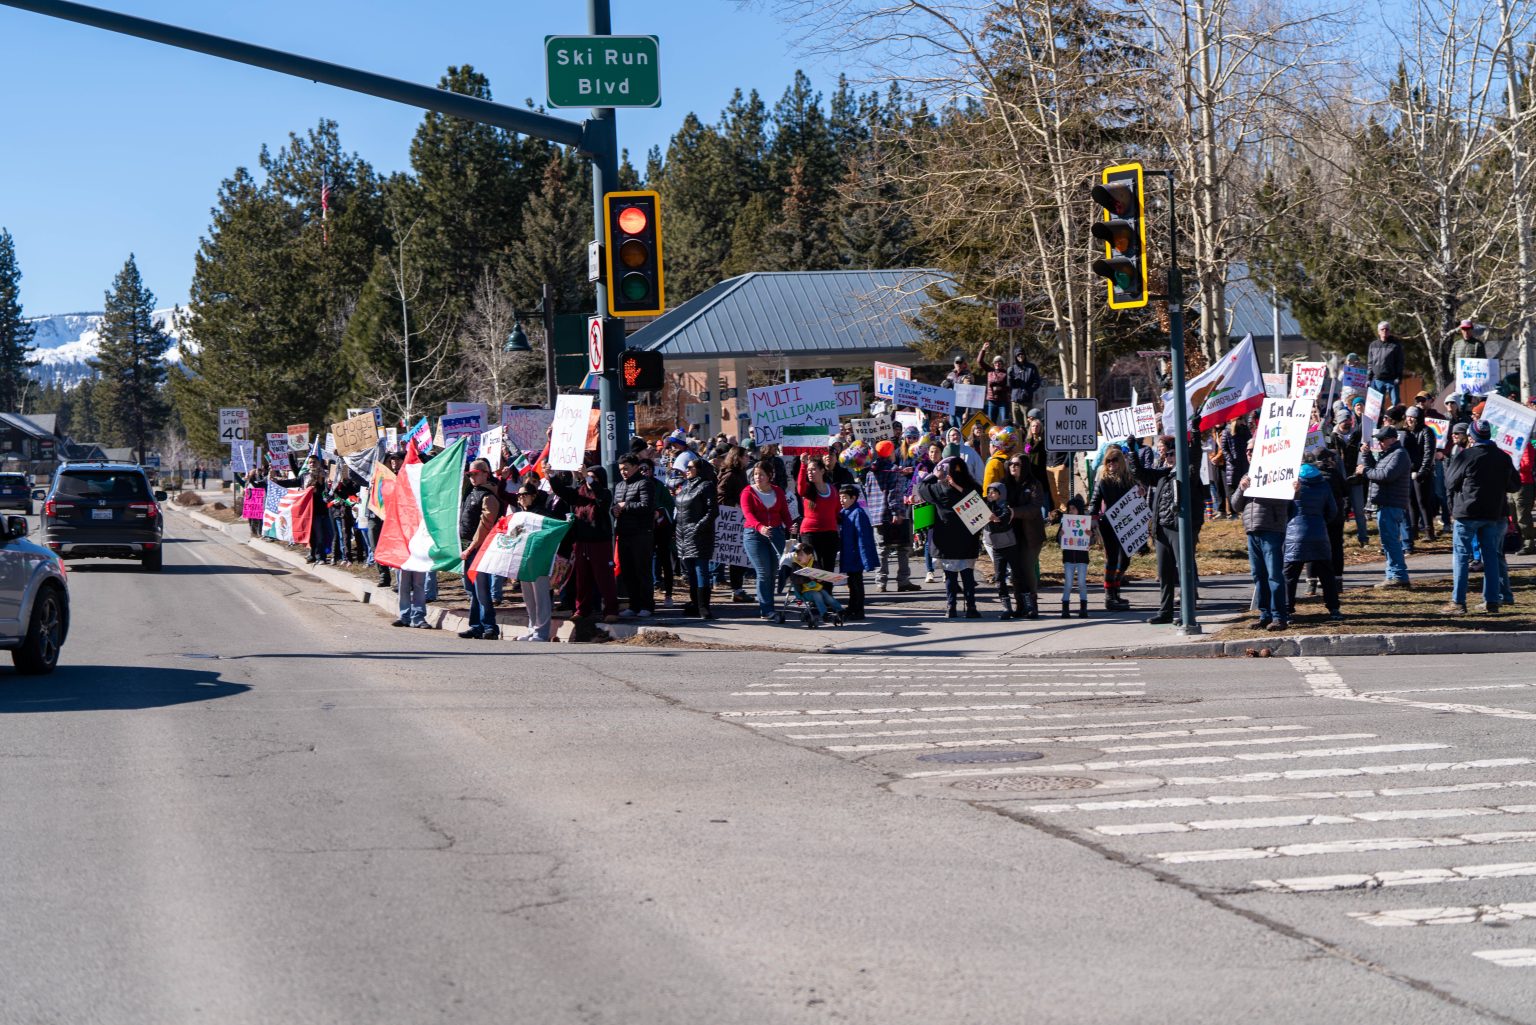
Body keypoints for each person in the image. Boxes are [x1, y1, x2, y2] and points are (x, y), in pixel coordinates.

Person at [1443, 419, 1520, 614]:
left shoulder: (1466, 456)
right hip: (1493, 513)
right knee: (1491, 557)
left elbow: (1450, 482)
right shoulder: (1503, 457)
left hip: (1467, 512)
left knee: (1461, 556)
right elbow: (1514, 486)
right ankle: (1492, 601)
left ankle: (1458, 602)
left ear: (1471, 437)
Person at [1231, 444, 1293, 631]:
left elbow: (1289, 496)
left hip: (1271, 529)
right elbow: (1235, 505)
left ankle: (1279, 616)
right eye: (1247, 450)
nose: (1249, 453)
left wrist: (1295, 489)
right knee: (1259, 576)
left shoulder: (1277, 472)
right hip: (1252, 531)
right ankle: (1264, 614)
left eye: (1253, 450)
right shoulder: (1247, 476)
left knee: (1274, 575)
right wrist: (1242, 488)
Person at [551, 466, 620, 623]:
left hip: (599, 542)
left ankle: (611, 609)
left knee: (605, 578)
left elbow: (601, 498)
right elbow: (563, 492)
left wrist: (588, 479)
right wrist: (552, 476)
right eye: (588, 477)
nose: (589, 480)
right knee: (582, 579)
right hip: (581, 541)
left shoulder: (604, 493)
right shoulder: (578, 493)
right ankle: (582, 609)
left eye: (593, 477)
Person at [917, 456, 983, 618]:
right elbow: (980, 500)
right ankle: (971, 607)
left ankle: (951, 607)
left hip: (945, 539)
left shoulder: (939, 489)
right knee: (968, 575)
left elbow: (921, 488)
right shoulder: (972, 487)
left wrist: (934, 474)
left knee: (950, 577)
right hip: (967, 538)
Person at [1284, 455, 1342, 622]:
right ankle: (1334, 609)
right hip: (1319, 533)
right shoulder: (1323, 484)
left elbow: (1285, 510)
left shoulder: (1293, 484)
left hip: (1294, 535)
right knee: (1326, 575)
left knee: (1289, 575)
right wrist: (1321, 522)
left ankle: (1287, 610)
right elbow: (1333, 510)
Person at [1357, 425, 1413, 588]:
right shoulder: (1390, 454)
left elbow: (1385, 475)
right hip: (1387, 503)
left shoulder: (1399, 454)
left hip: (1391, 503)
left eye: (1382, 440)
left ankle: (1398, 575)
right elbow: (1377, 469)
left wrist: (1364, 471)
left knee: (1391, 541)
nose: (1379, 443)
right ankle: (1394, 574)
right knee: (1388, 541)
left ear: (1392, 439)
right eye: (1378, 440)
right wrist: (1366, 455)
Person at [457, 458, 502, 640]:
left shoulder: (488, 496)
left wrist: (471, 548)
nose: (472, 477)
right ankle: (476, 626)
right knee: (472, 589)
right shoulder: (471, 492)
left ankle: (489, 626)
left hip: (480, 548)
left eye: (476, 474)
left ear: (486, 474)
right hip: (467, 546)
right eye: (470, 474)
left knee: (481, 589)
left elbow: (485, 526)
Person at [861, 448, 918, 592]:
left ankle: (881, 582)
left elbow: (867, 492)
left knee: (882, 550)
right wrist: (896, 512)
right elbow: (895, 493)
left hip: (876, 515)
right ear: (889, 453)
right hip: (893, 514)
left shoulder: (870, 471)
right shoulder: (893, 470)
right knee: (903, 548)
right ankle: (903, 581)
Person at [1087, 442, 1136, 610]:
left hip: (1126, 523)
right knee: (1112, 558)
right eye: (1108, 461)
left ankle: (1116, 591)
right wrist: (1092, 519)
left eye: (1115, 461)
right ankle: (1110, 596)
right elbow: (1094, 501)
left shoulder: (1128, 479)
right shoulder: (1103, 480)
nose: (1111, 464)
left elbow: (1136, 499)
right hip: (1108, 523)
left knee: (1125, 559)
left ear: (1121, 461)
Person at [741, 460, 792, 619]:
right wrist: (760, 527)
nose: (758, 477)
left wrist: (791, 526)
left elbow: (785, 513)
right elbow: (748, 514)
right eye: (755, 474)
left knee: (772, 571)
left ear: (770, 475)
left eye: (761, 474)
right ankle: (767, 609)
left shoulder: (778, 491)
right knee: (763, 572)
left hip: (775, 533)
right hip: (754, 535)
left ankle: (768, 606)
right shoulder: (747, 492)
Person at [513, 480, 562, 641]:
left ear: (534, 496)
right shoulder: (519, 515)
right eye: (519, 495)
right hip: (524, 562)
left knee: (541, 597)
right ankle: (532, 628)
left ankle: (542, 632)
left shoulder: (543, 514)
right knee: (528, 598)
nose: (521, 498)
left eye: (524, 495)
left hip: (540, 562)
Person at [673, 453, 719, 619]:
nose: (687, 470)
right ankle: (695, 603)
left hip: (699, 534)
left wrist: (698, 527)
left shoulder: (706, 486)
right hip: (683, 534)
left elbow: (712, 511)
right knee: (691, 571)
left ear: (699, 469)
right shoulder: (686, 486)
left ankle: (703, 606)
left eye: (691, 467)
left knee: (701, 570)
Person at [612, 454, 656, 619]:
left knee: (642, 571)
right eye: (621, 469)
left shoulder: (645, 483)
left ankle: (647, 605)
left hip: (641, 534)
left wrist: (626, 506)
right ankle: (634, 604)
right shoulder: (620, 486)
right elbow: (615, 505)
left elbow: (647, 506)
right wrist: (614, 509)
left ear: (636, 467)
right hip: (624, 533)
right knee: (628, 572)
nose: (623, 472)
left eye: (626, 469)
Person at [984, 482, 1030, 618]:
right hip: (996, 547)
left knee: (1018, 574)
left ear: (1000, 493)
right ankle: (1006, 607)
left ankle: (1028, 606)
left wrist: (996, 519)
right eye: (989, 492)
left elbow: (1004, 517)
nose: (990, 495)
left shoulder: (1005, 506)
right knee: (999, 578)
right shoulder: (987, 506)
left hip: (1009, 545)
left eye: (993, 492)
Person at [796, 456, 842, 584]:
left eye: (813, 469)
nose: (810, 472)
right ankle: (813, 597)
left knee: (828, 566)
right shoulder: (808, 489)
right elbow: (799, 488)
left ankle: (827, 596)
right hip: (810, 532)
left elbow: (837, 509)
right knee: (812, 566)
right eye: (808, 470)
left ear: (822, 470)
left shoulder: (832, 489)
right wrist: (803, 465)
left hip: (830, 532)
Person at [837, 484, 879, 619]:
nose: (841, 500)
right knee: (851, 583)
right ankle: (852, 607)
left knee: (856, 584)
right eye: (840, 497)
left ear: (853, 498)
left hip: (855, 555)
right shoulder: (844, 513)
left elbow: (863, 537)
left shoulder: (858, 513)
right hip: (849, 554)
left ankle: (859, 610)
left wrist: (865, 558)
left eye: (844, 497)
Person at [787, 541, 844, 624]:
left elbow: (819, 575)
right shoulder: (795, 565)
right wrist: (808, 579)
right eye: (798, 554)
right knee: (817, 595)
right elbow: (794, 579)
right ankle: (824, 614)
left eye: (802, 555)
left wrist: (821, 579)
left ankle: (840, 610)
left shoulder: (814, 563)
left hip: (816, 588)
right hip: (803, 591)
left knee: (827, 596)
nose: (799, 557)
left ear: (809, 556)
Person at [1061, 494, 1090, 618]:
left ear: (1079, 509)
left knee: (1082, 583)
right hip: (1068, 558)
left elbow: (1090, 541)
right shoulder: (1065, 523)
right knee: (1068, 583)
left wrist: (1090, 535)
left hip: (1082, 558)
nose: (1071, 511)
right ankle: (1065, 608)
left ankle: (1083, 608)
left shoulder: (1085, 523)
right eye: (1069, 509)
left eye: (1073, 508)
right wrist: (1061, 535)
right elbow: (1059, 540)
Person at [1368, 320, 1406, 406]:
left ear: (1389, 331)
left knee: (1396, 402)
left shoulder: (1395, 345)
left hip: (1392, 380)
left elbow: (1400, 362)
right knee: (1378, 405)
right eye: (1382, 329)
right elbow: (1370, 363)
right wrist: (1368, 378)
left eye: (1387, 329)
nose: (1385, 331)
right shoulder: (1373, 345)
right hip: (1378, 379)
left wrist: (1399, 377)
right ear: (1378, 332)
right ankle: (1380, 419)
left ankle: (1396, 419)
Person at [1007, 350, 1043, 427]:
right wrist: (1009, 377)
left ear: (1025, 355)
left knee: (1028, 424)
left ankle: (1028, 439)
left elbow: (1037, 382)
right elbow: (1011, 385)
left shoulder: (1031, 367)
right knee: (1016, 424)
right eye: (1018, 355)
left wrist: (1029, 391)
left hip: (1026, 401)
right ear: (1015, 357)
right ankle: (1019, 439)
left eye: (1022, 354)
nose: (1020, 356)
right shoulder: (1013, 368)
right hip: (1015, 401)